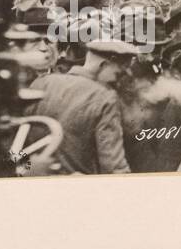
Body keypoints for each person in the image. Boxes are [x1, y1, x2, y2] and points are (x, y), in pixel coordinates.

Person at [30, 39, 135, 174]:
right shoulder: (105, 97)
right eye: (118, 74)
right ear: (102, 65)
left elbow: (15, 148)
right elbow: (113, 167)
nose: (118, 82)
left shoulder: (41, 83)